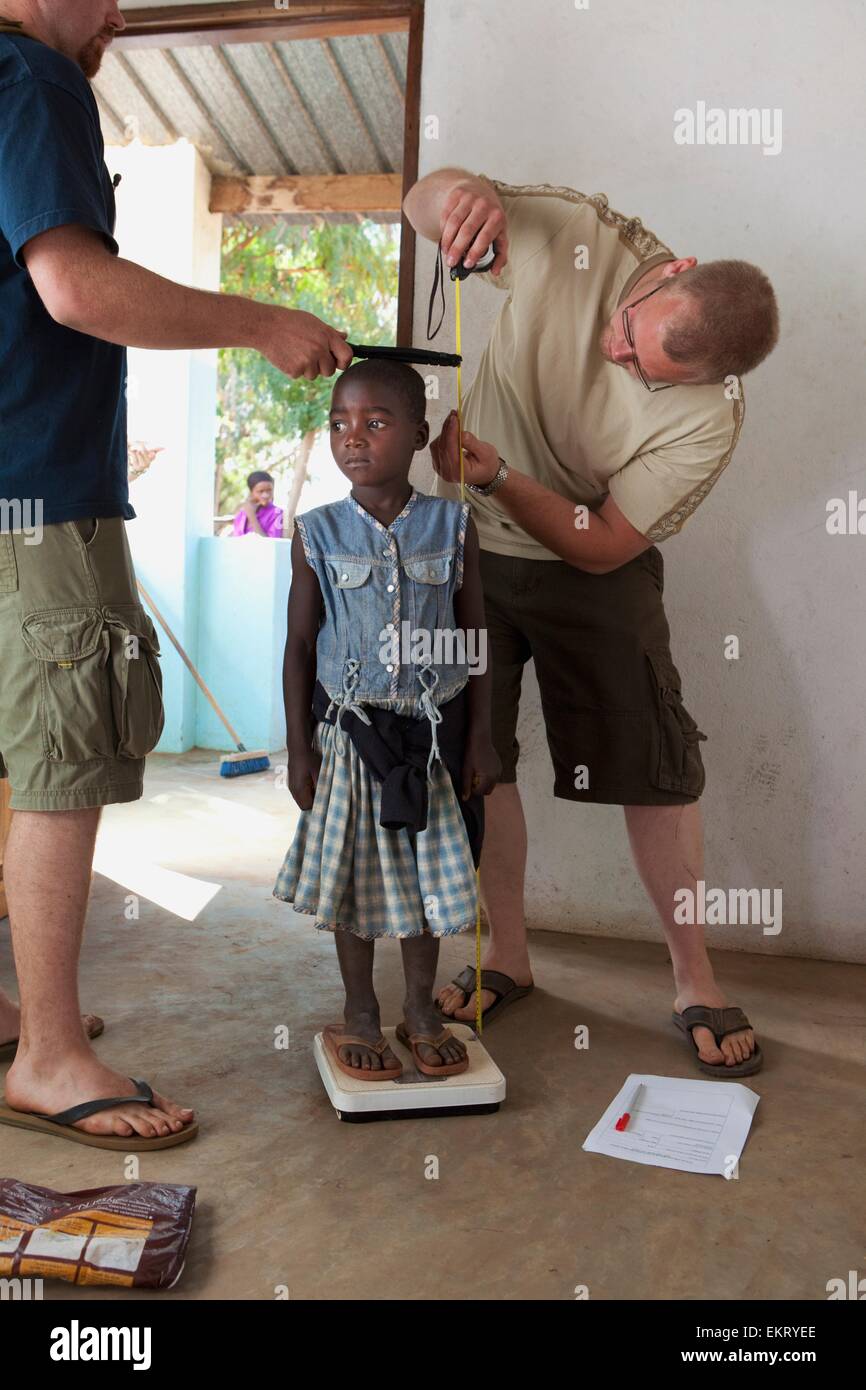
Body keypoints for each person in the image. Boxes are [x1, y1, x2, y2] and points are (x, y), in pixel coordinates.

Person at [0, 0, 352, 1149]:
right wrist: (257, 322)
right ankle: (49, 1057)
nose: (111, 13)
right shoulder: (36, 81)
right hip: (40, 495)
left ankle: (12, 1019)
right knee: (62, 760)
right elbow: (75, 288)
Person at [403, 168, 780, 1075]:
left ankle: (693, 977)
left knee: (657, 770)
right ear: (667, 271)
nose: (617, 355)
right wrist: (457, 200)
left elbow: (605, 542)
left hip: (586, 560)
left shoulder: (709, 421)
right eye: (628, 333)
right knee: (479, 758)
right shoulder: (578, 234)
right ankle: (508, 957)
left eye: (646, 373)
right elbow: (424, 199)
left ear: (705, 379)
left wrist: (495, 476)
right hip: (470, 551)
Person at [275, 359, 500, 1077]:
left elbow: (473, 640)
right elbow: (300, 647)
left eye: (375, 423)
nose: (353, 439)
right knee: (353, 883)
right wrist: (299, 750)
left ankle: (422, 1012)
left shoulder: (453, 523)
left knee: (427, 884)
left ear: (417, 435)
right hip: (351, 738)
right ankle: (360, 1015)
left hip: (431, 738)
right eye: (340, 423)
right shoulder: (316, 532)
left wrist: (481, 738)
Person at [231, 471, 284, 538]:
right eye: (260, 491)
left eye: (269, 490)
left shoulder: (277, 513)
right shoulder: (242, 513)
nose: (266, 495)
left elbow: (272, 544)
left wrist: (252, 517)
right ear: (251, 492)